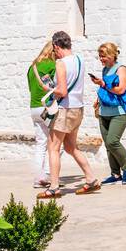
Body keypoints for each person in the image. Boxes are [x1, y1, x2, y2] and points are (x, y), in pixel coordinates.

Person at [38, 31, 101, 198]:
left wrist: (49, 89)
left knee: (53, 147)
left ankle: (54, 187)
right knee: (71, 147)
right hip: (78, 108)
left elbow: (62, 91)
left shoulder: (61, 63)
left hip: (64, 109)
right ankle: (91, 178)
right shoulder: (80, 60)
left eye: (54, 50)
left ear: (57, 46)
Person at [91, 41, 126, 185]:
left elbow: (121, 90)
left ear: (112, 55)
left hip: (119, 112)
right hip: (104, 111)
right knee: (107, 144)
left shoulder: (121, 69)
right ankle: (115, 174)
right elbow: (106, 90)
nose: (101, 59)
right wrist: (98, 99)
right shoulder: (105, 70)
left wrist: (103, 84)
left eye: (103, 56)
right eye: (100, 56)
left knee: (112, 141)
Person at [27, 40, 58, 188]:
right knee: (58, 142)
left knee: (40, 144)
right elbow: (53, 88)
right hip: (47, 108)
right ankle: (46, 174)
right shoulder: (52, 66)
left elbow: (31, 89)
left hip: (34, 107)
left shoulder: (32, 67)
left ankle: (38, 177)